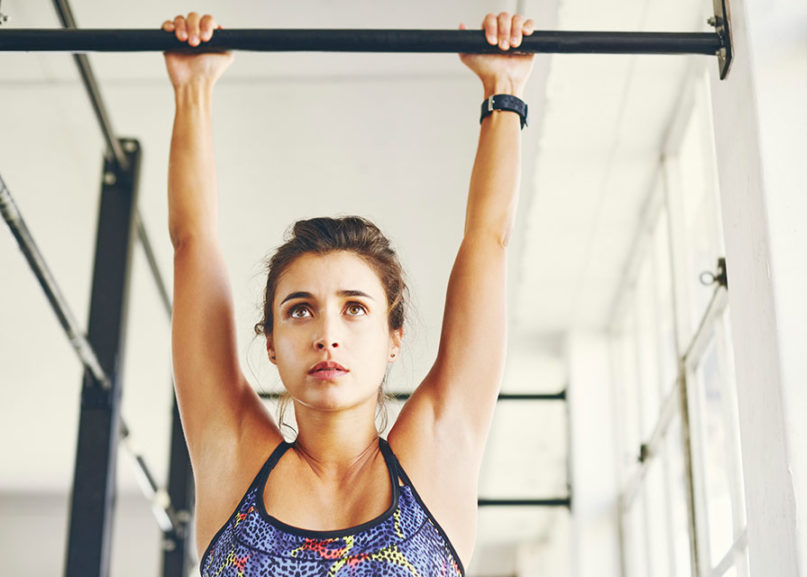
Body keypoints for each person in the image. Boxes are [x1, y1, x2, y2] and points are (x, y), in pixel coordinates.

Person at [162, 11, 534, 576]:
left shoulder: (438, 453)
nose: (327, 334)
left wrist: (503, 90)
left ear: (393, 337)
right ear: (269, 343)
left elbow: (489, 240)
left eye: (355, 309)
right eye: (300, 310)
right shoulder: (231, 457)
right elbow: (192, 242)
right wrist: (193, 88)